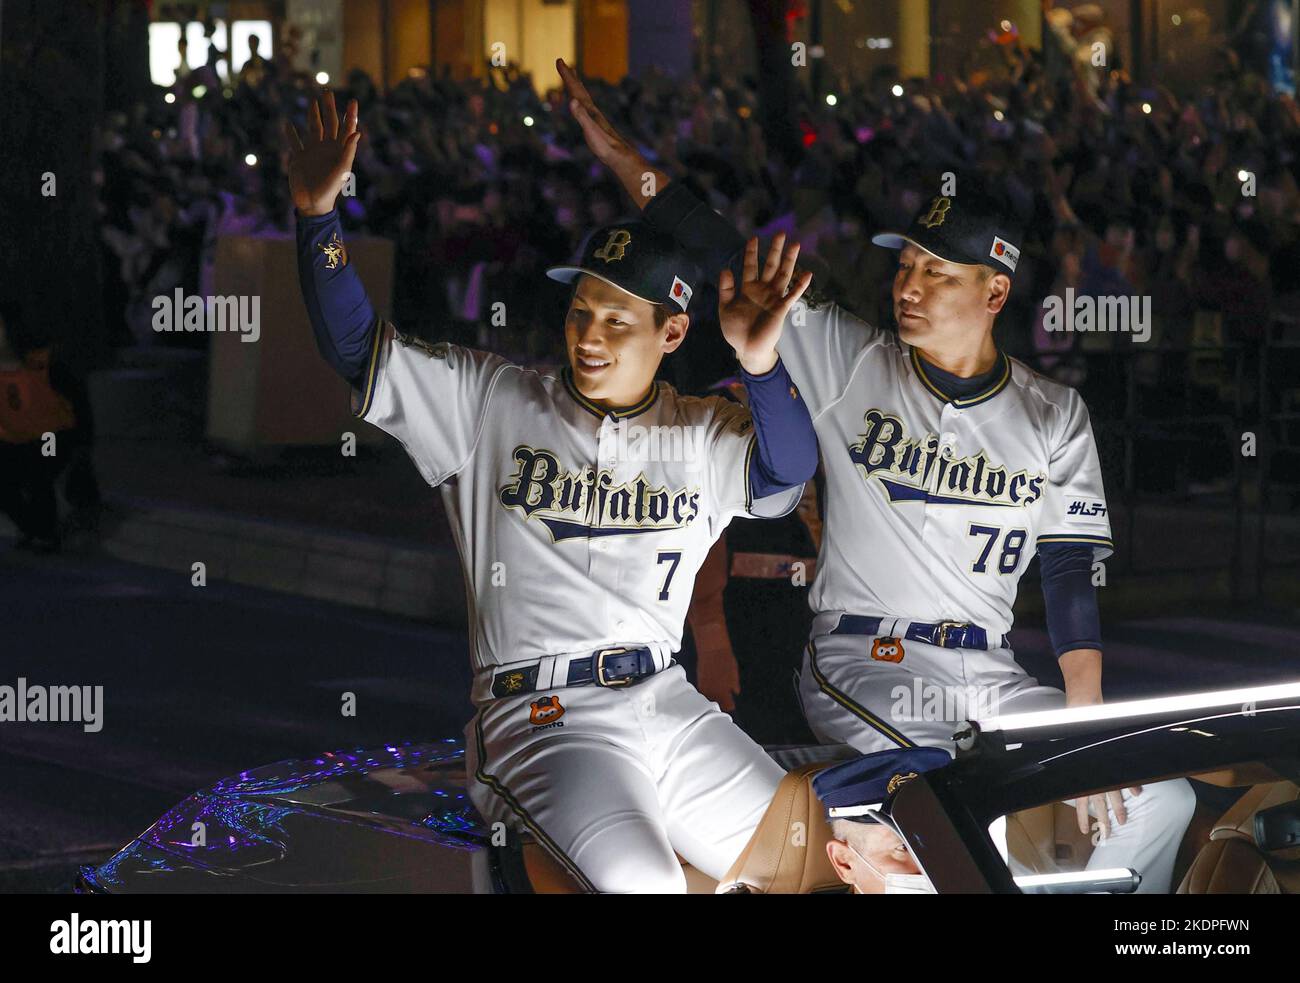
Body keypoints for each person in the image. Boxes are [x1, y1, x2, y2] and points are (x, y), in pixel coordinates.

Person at [557, 59, 1196, 892]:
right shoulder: (850, 356)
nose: (910, 284)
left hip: (992, 674)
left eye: (938, 271)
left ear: (995, 290)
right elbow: (720, 242)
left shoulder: (1053, 413)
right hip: (866, 659)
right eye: (906, 264)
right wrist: (620, 159)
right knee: (949, 811)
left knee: (1163, 798)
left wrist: (1086, 711)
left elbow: (1069, 568)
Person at [286, 90, 818, 892]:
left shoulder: (702, 429)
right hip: (542, 718)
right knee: (644, 883)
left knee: (829, 861)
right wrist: (318, 217)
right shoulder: (492, 401)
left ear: (672, 333)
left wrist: (760, 365)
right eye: (580, 309)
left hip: (666, 705)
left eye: (615, 319)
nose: (587, 334)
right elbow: (358, 347)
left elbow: (785, 476)